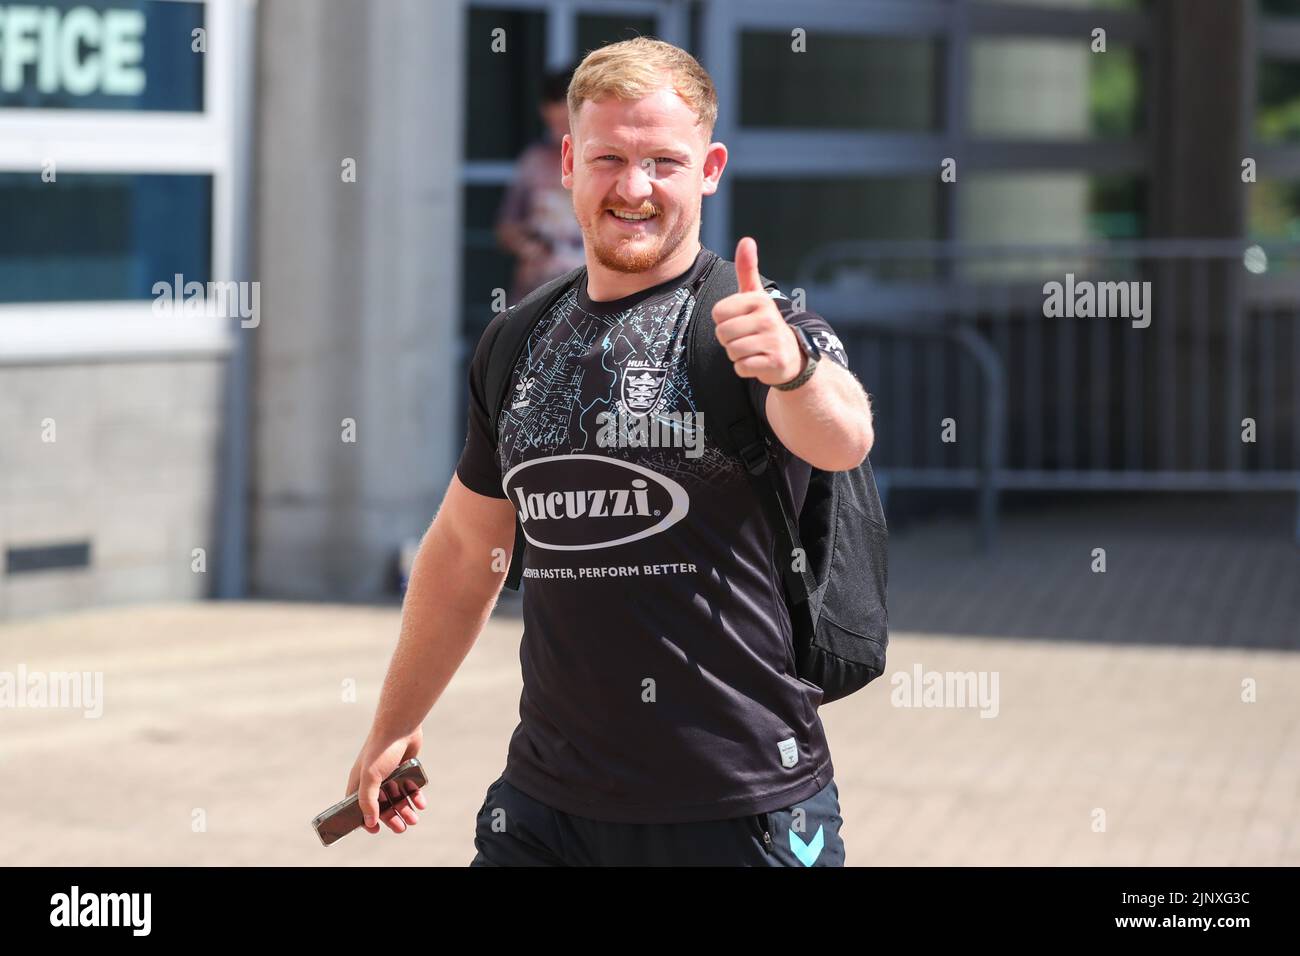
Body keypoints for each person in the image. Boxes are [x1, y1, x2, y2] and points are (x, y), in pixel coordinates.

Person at [345, 37, 873, 866]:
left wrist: (794, 370)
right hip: (547, 808)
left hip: (736, 806)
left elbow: (843, 437)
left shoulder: (747, 323)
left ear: (710, 168)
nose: (635, 188)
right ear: (567, 161)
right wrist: (396, 722)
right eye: (610, 158)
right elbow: (463, 548)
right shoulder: (516, 341)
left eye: (664, 161)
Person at [495, 66, 586, 306]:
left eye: (566, 125)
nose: (561, 135)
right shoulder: (533, 161)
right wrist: (528, 245)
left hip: (588, 290)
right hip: (538, 290)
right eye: (554, 124)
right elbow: (507, 226)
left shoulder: (605, 163)